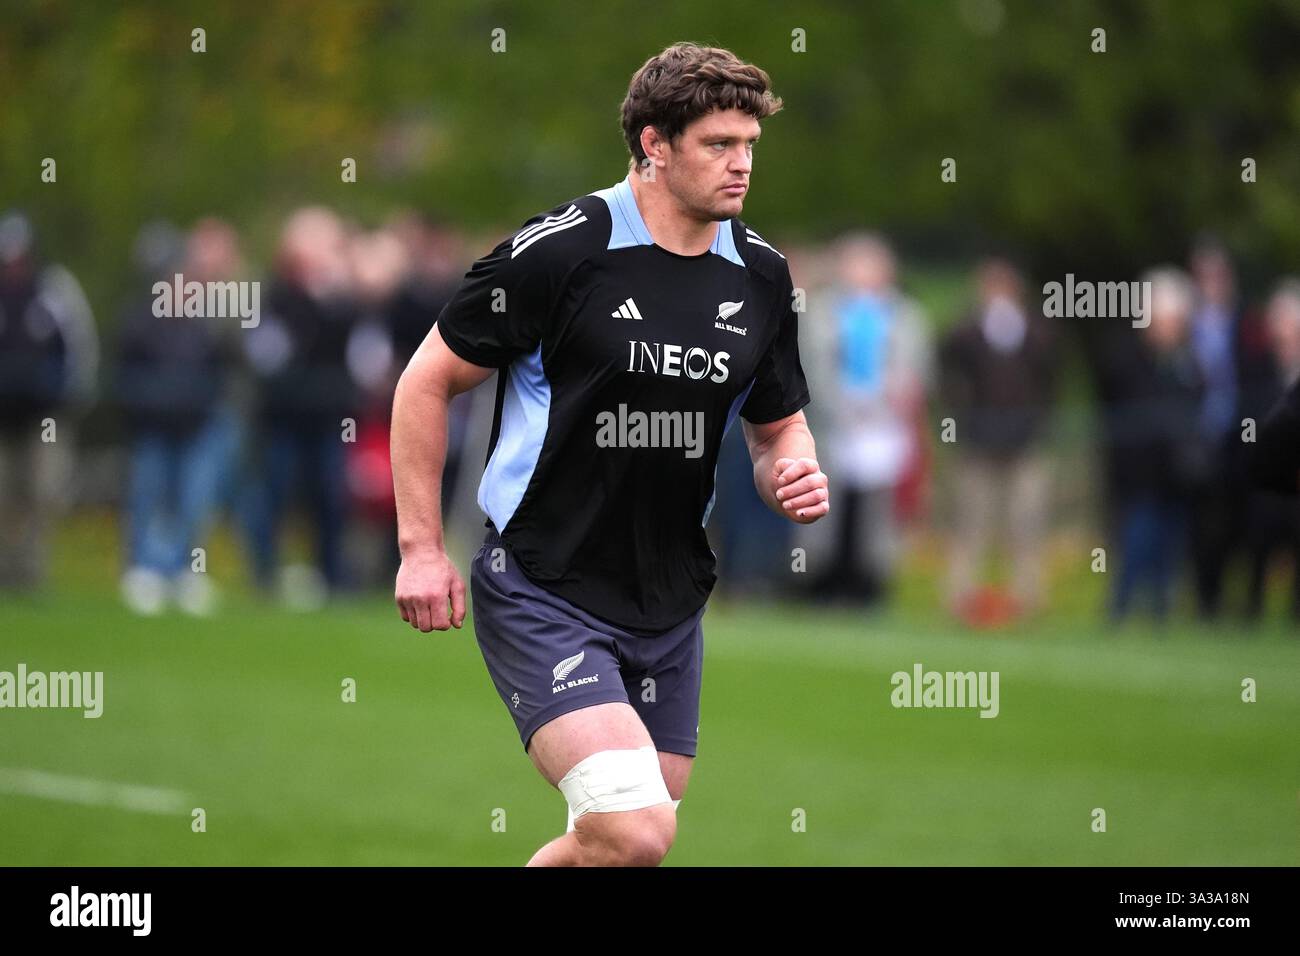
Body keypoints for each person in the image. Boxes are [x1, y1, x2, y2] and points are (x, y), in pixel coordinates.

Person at [390, 42, 827, 866]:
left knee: (610, 845)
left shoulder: (762, 276)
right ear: (654, 145)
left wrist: (790, 469)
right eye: (719, 146)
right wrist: (420, 548)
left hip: (667, 598)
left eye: (749, 147)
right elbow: (424, 383)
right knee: (637, 831)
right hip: (543, 583)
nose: (741, 166)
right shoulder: (564, 251)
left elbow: (777, 427)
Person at [939, 258, 1057, 621]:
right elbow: (948, 361)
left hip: (1024, 440)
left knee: (1026, 523)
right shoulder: (968, 332)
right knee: (971, 522)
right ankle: (958, 597)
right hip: (979, 441)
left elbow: (1050, 377)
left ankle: (1028, 598)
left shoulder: (1035, 333)